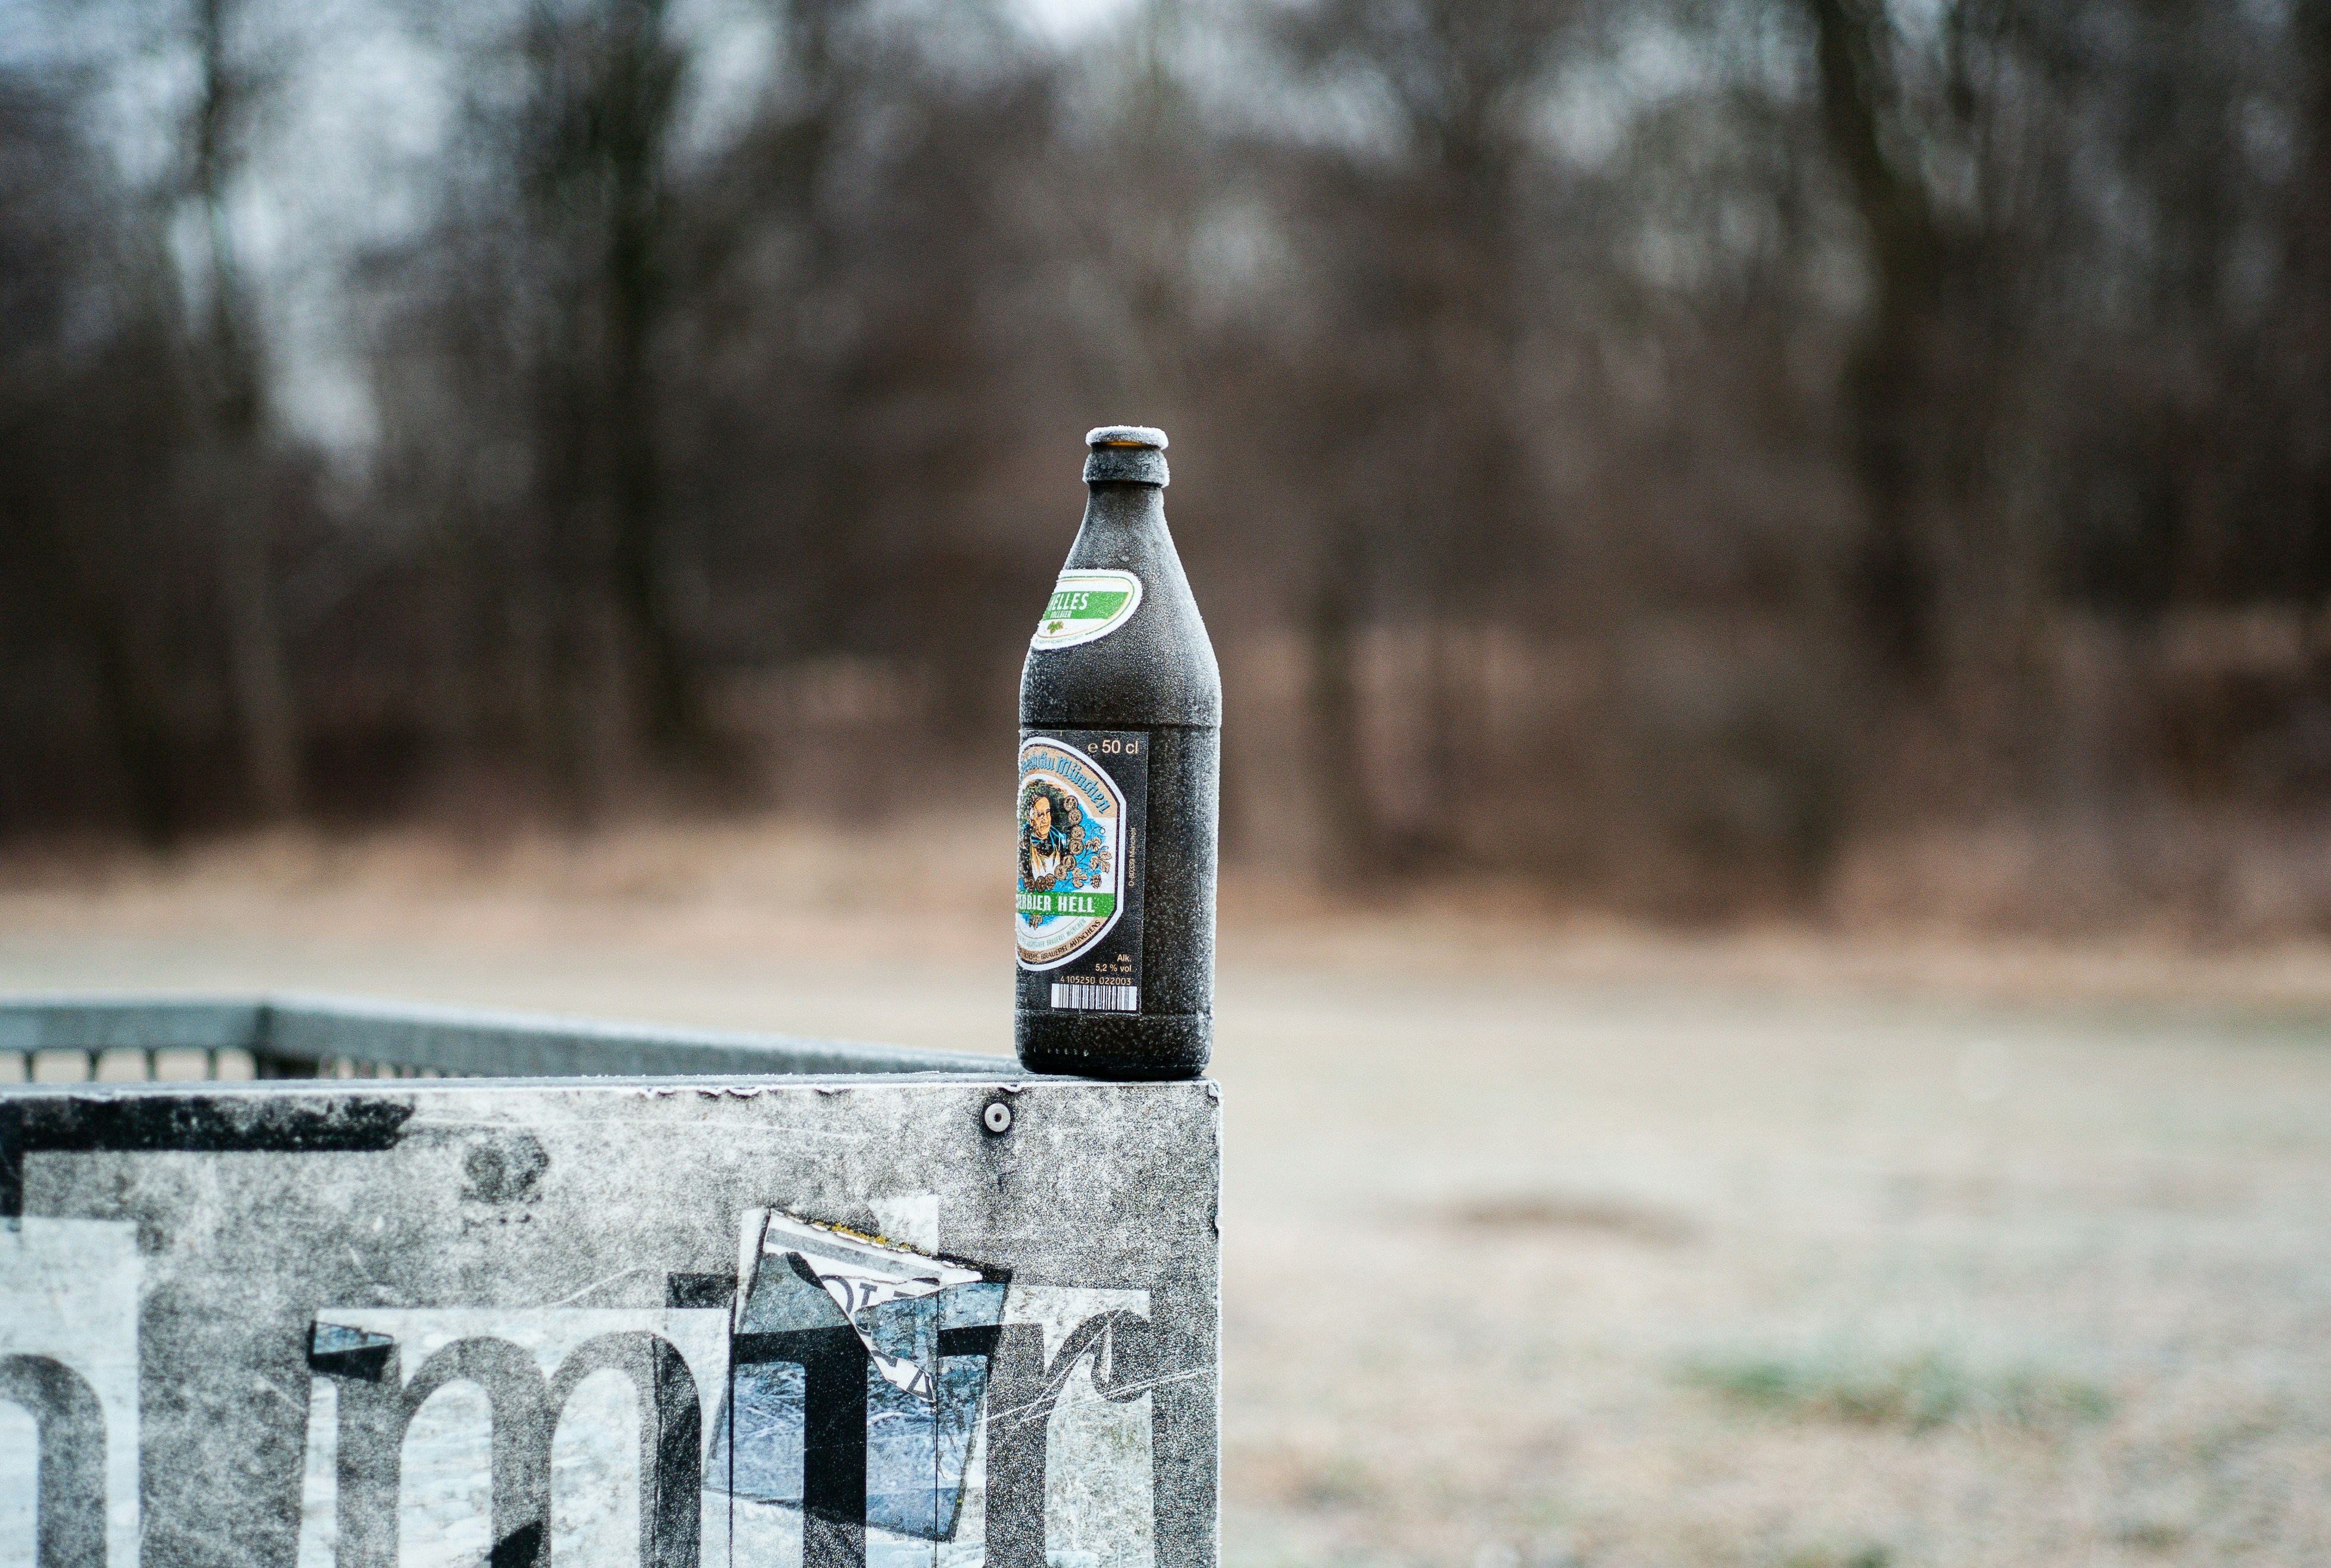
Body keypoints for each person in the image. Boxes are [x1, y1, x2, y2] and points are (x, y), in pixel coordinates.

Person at [1021, 788, 1070, 892]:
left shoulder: (1061, 841)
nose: (1046, 820)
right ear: (1031, 820)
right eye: (1040, 815)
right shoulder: (1024, 847)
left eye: (1048, 813)